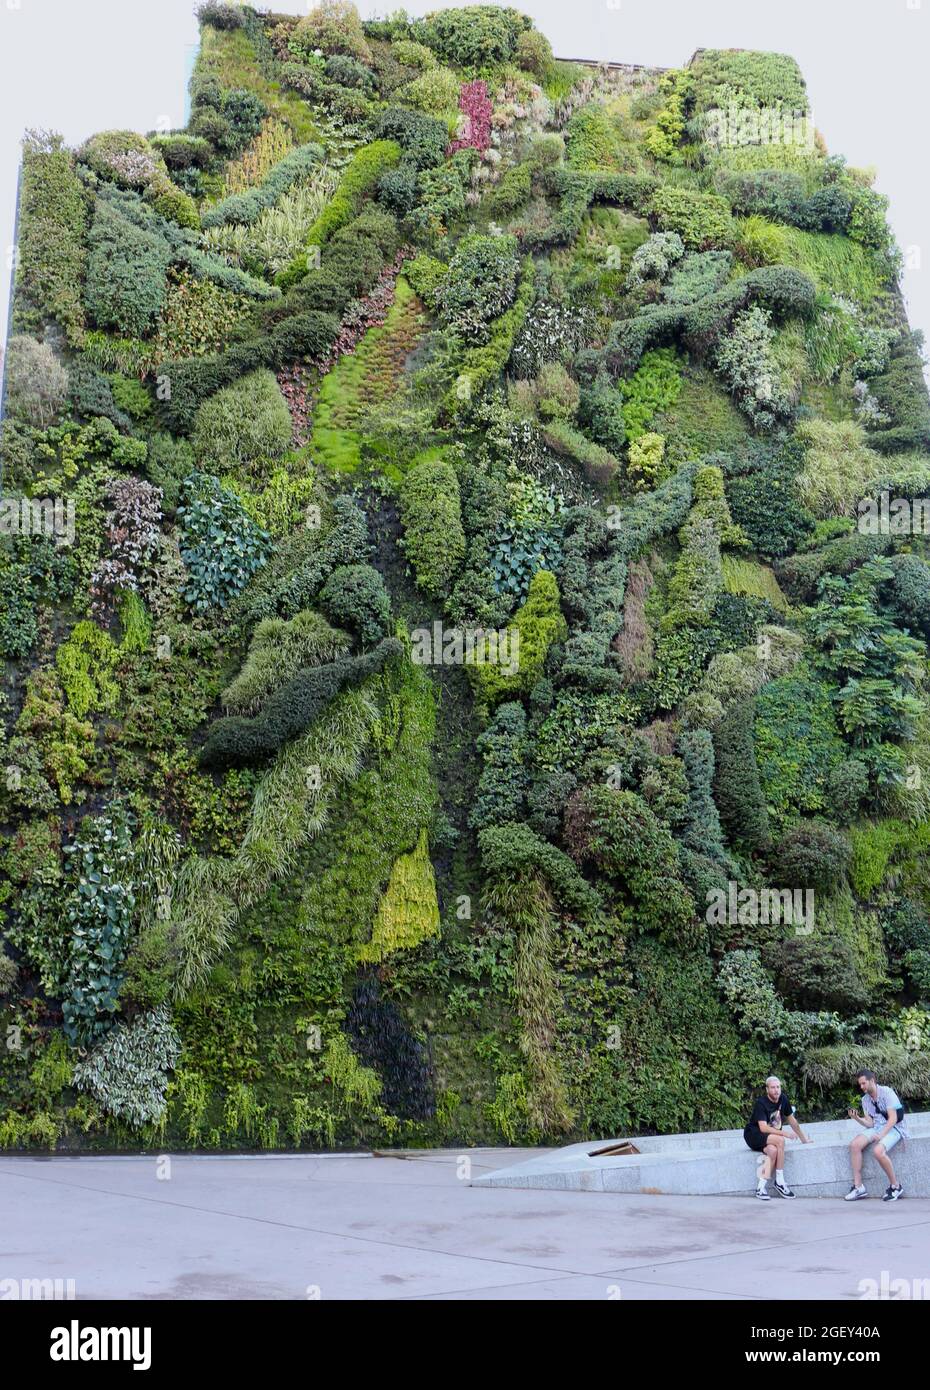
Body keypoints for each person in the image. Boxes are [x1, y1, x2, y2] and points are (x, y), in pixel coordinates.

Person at [744, 1075, 811, 1200]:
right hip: (753, 1134)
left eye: (778, 1087)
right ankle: (780, 1181)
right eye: (773, 1087)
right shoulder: (761, 1103)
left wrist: (804, 1139)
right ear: (767, 1089)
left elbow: (793, 1122)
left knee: (773, 1151)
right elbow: (763, 1128)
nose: (776, 1090)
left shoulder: (783, 1099)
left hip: (770, 1136)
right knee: (780, 1140)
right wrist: (785, 1134)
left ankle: (760, 1188)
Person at [844, 1069, 906, 1201]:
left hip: (894, 1128)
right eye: (860, 1084)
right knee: (854, 1145)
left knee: (878, 1151)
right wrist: (857, 1118)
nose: (862, 1087)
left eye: (864, 1083)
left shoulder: (887, 1092)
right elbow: (870, 1124)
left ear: (872, 1080)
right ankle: (858, 1187)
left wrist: (881, 1135)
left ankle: (896, 1186)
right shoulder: (865, 1100)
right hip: (876, 1127)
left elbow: (893, 1119)